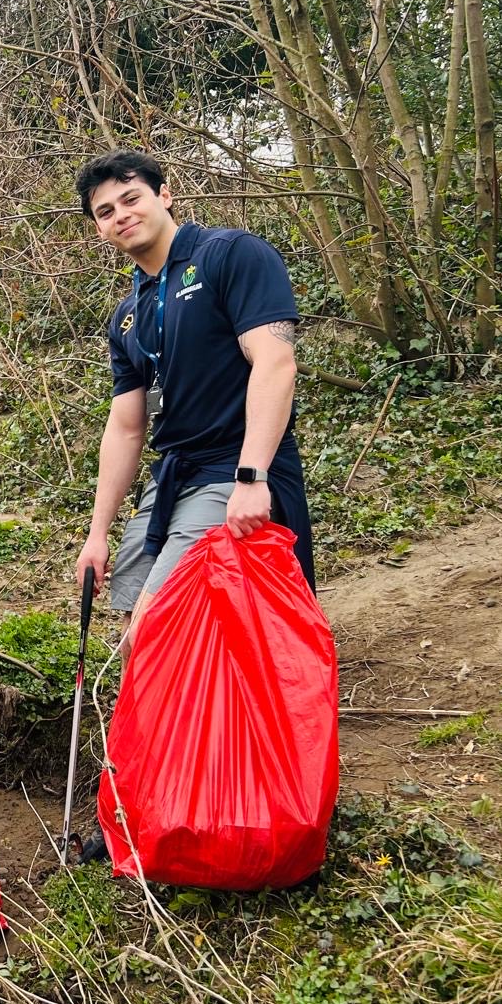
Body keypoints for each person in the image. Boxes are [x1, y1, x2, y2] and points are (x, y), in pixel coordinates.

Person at [73, 147, 313, 642]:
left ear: (164, 195)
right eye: (106, 211)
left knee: (157, 625)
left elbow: (275, 363)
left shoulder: (230, 255)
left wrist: (252, 477)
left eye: (131, 198)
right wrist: (97, 533)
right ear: (99, 229)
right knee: (132, 631)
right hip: (172, 480)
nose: (121, 215)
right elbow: (126, 426)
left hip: (234, 468)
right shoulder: (128, 316)